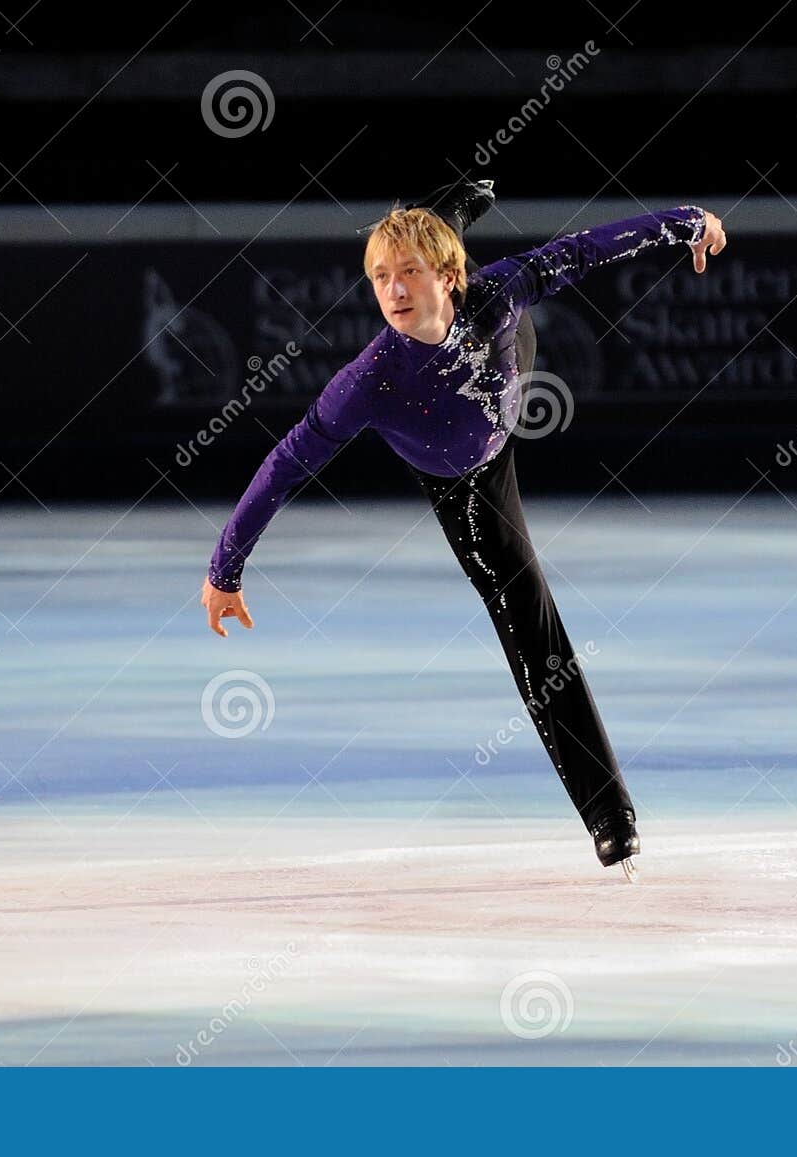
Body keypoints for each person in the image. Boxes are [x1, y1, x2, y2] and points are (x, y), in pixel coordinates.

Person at [199, 180, 727, 878]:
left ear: (447, 277)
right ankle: (610, 814)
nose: (391, 289)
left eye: (408, 272)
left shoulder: (493, 296)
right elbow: (287, 461)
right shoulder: (367, 382)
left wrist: (685, 221)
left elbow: (585, 250)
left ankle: (443, 216)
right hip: (456, 475)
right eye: (380, 276)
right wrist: (224, 567)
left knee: (475, 291)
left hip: (505, 371)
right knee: (526, 614)